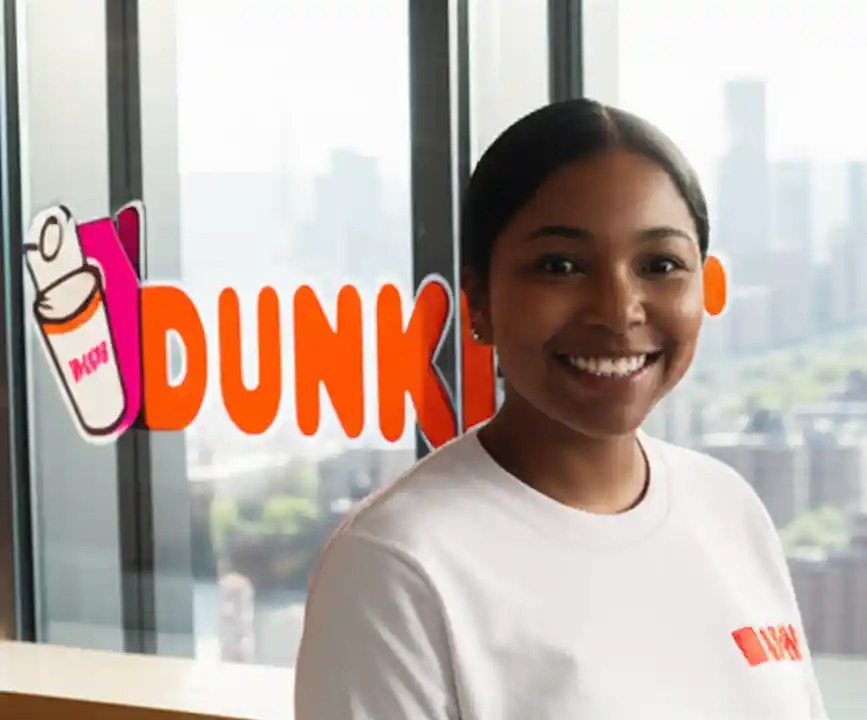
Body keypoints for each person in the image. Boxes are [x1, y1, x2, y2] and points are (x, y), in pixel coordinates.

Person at [295, 98, 828, 720]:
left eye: (660, 265)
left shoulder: (728, 507)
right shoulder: (399, 565)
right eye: (561, 266)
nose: (618, 308)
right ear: (479, 303)